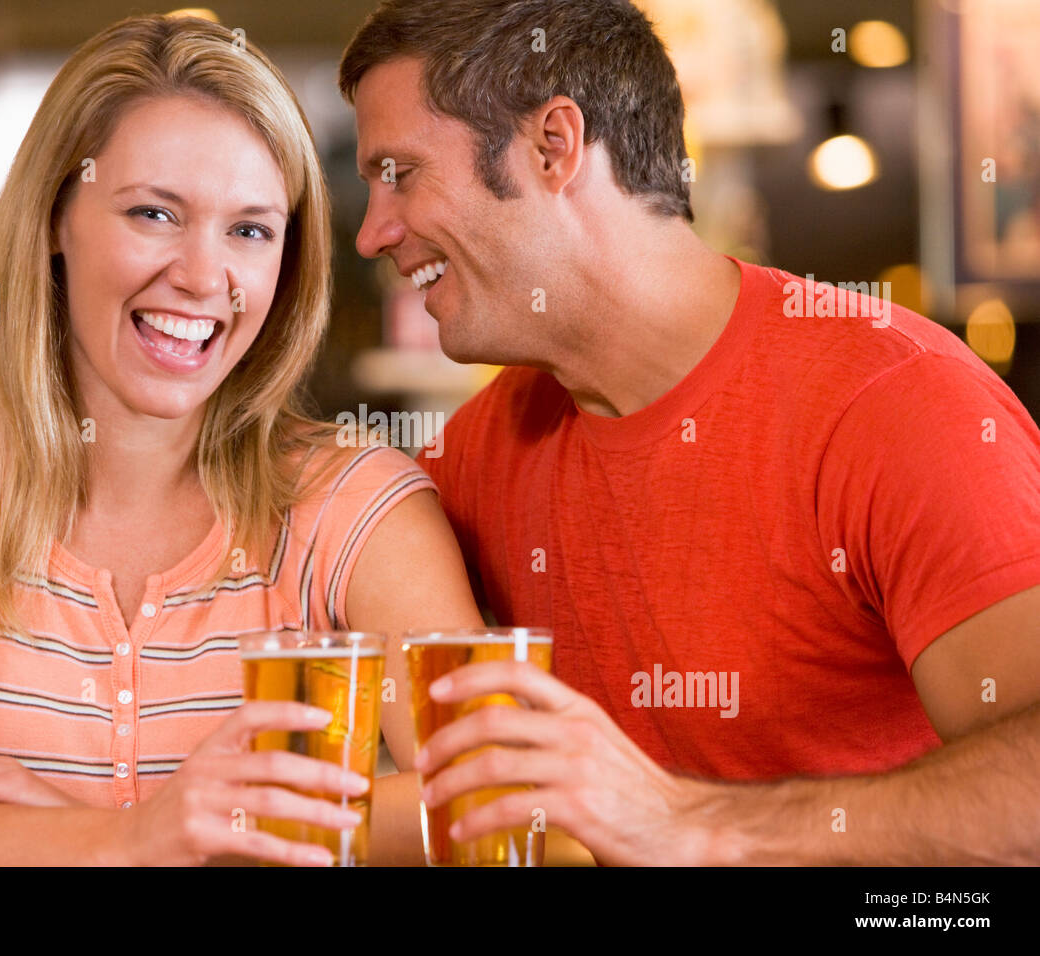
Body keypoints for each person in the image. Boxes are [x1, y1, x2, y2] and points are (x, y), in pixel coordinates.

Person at [0, 13, 482, 866]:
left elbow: (483, 802)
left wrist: (152, 835)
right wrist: (124, 837)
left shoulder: (354, 500)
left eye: (249, 230)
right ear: (55, 219)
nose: (205, 278)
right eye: (154, 213)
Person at [340, 0, 1040, 864]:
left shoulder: (896, 402)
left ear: (553, 146)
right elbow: (480, 796)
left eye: (401, 171)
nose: (374, 232)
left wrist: (693, 824)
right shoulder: (481, 451)